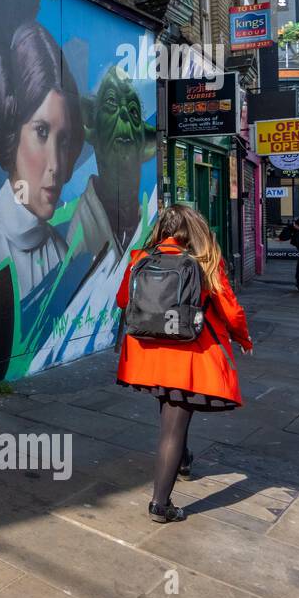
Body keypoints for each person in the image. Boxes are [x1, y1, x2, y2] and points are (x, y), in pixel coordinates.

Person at [115, 204, 253, 523]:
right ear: (193, 229)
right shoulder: (204, 262)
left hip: (147, 354)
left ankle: (185, 461)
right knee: (172, 429)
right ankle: (160, 504)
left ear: (162, 228)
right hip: (188, 355)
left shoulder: (139, 259)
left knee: (170, 415)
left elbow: (123, 301)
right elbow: (231, 310)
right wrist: (244, 338)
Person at [0, 22, 84, 298]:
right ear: (11, 130)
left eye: (63, 139)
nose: (56, 164)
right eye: (41, 132)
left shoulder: (58, 249)